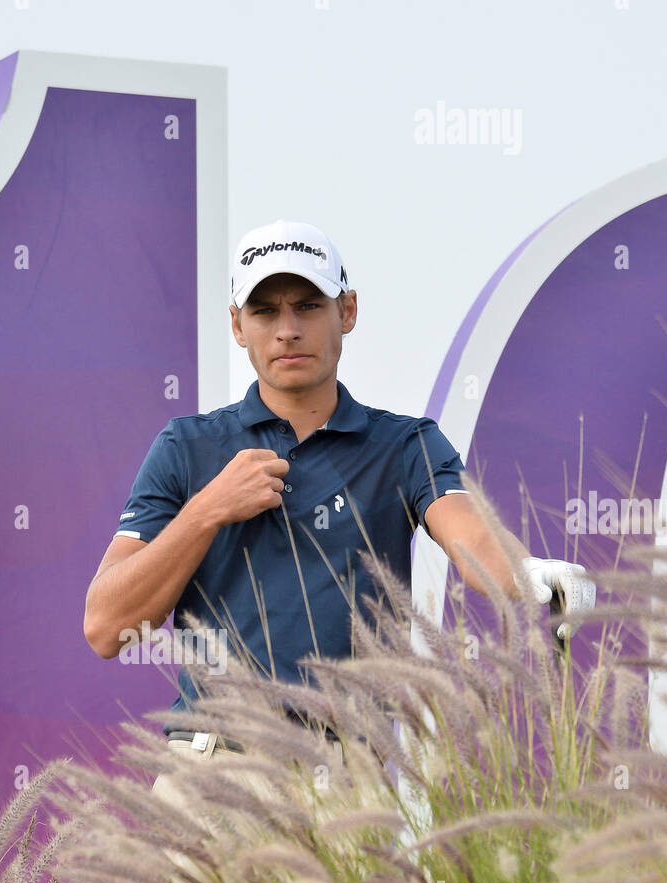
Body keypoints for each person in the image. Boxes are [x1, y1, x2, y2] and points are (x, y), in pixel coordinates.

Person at [82, 218, 594, 821]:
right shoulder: (187, 446)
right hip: (211, 772)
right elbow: (106, 625)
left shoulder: (405, 445)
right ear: (237, 326)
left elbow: (470, 533)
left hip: (349, 783)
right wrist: (208, 510)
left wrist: (526, 572)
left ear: (347, 311)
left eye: (308, 305)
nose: (288, 329)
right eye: (265, 311)